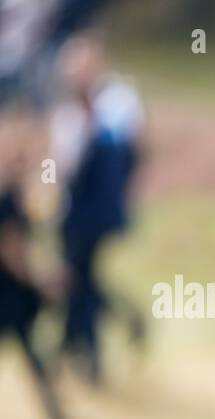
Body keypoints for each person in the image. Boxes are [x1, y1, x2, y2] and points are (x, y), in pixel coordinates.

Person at [48, 32, 142, 384]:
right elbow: (63, 167)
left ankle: (84, 352)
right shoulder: (67, 114)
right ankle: (81, 343)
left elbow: (125, 151)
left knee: (79, 279)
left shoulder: (116, 102)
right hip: (72, 213)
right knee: (80, 279)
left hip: (98, 213)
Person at [0, 110, 71, 419]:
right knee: (36, 359)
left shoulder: (14, 195)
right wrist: (40, 281)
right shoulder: (7, 199)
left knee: (36, 359)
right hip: (9, 296)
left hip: (12, 295)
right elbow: (12, 249)